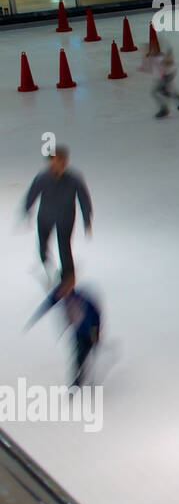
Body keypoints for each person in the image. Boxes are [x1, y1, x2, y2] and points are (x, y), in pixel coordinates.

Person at [23, 146, 93, 285]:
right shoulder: (42, 178)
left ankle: (68, 276)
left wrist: (86, 220)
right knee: (42, 244)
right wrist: (27, 211)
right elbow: (32, 194)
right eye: (53, 163)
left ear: (65, 163)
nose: (56, 167)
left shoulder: (74, 179)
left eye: (59, 163)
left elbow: (84, 199)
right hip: (45, 217)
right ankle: (45, 264)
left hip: (65, 219)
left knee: (64, 247)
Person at [26, 274, 102, 388]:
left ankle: (82, 380)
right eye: (63, 288)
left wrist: (95, 335)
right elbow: (48, 304)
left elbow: (95, 316)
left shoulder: (82, 299)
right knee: (79, 357)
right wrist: (33, 319)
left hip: (89, 331)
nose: (63, 292)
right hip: (78, 332)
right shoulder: (59, 294)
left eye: (67, 288)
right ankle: (78, 381)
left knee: (85, 354)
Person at [146, 43, 179, 119]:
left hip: (166, 76)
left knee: (155, 92)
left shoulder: (159, 58)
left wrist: (168, 56)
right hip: (164, 76)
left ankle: (164, 109)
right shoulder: (154, 58)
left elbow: (168, 63)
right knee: (164, 92)